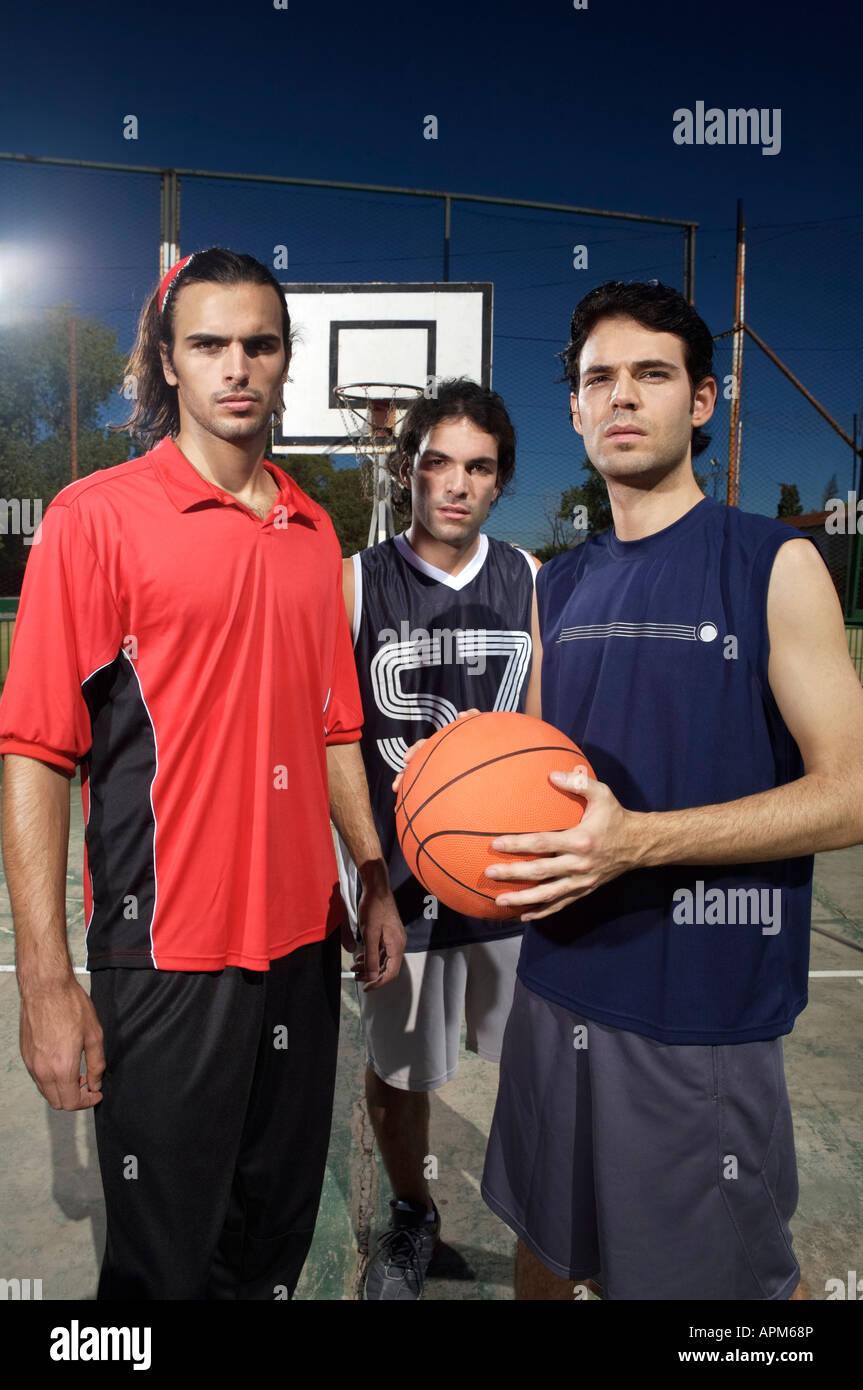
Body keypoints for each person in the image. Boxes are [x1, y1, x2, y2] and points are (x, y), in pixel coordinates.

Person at [0, 247, 405, 1301]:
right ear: (166, 365)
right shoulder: (95, 518)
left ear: (286, 363)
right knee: (159, 1273)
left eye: (260, 344)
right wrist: (47, 980)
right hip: (166, 953)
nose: (238, 367)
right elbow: (37, 749)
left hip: (302, 951)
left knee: (267, 1252)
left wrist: (369, 871)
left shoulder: (314, 531)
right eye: (209, 344)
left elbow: (333, 726)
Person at [479, 280, 863, 1301]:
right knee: (545, 1252)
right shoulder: (550, 585)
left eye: (650, 375)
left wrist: (637, 840)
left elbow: (851, 791)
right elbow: (535, 782)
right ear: (572, 409)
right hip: (554, 985)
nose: (620, 397)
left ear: (700, 402)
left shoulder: (771, 561)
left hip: (697, 1013)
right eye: (598, 378)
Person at [339, 379, 541, 1299]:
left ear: (499, 481)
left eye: (479, 467)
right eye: (437, 464)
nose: (456, 485)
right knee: (401, 1072)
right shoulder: (352, 578)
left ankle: (547, 1223)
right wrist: (364, 876)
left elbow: (541, 730)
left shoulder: (528, 577)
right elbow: (333, 736)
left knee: (535, 1064)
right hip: (397, 883)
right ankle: (413, 1211)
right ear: (407, 470)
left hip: (506, 881)